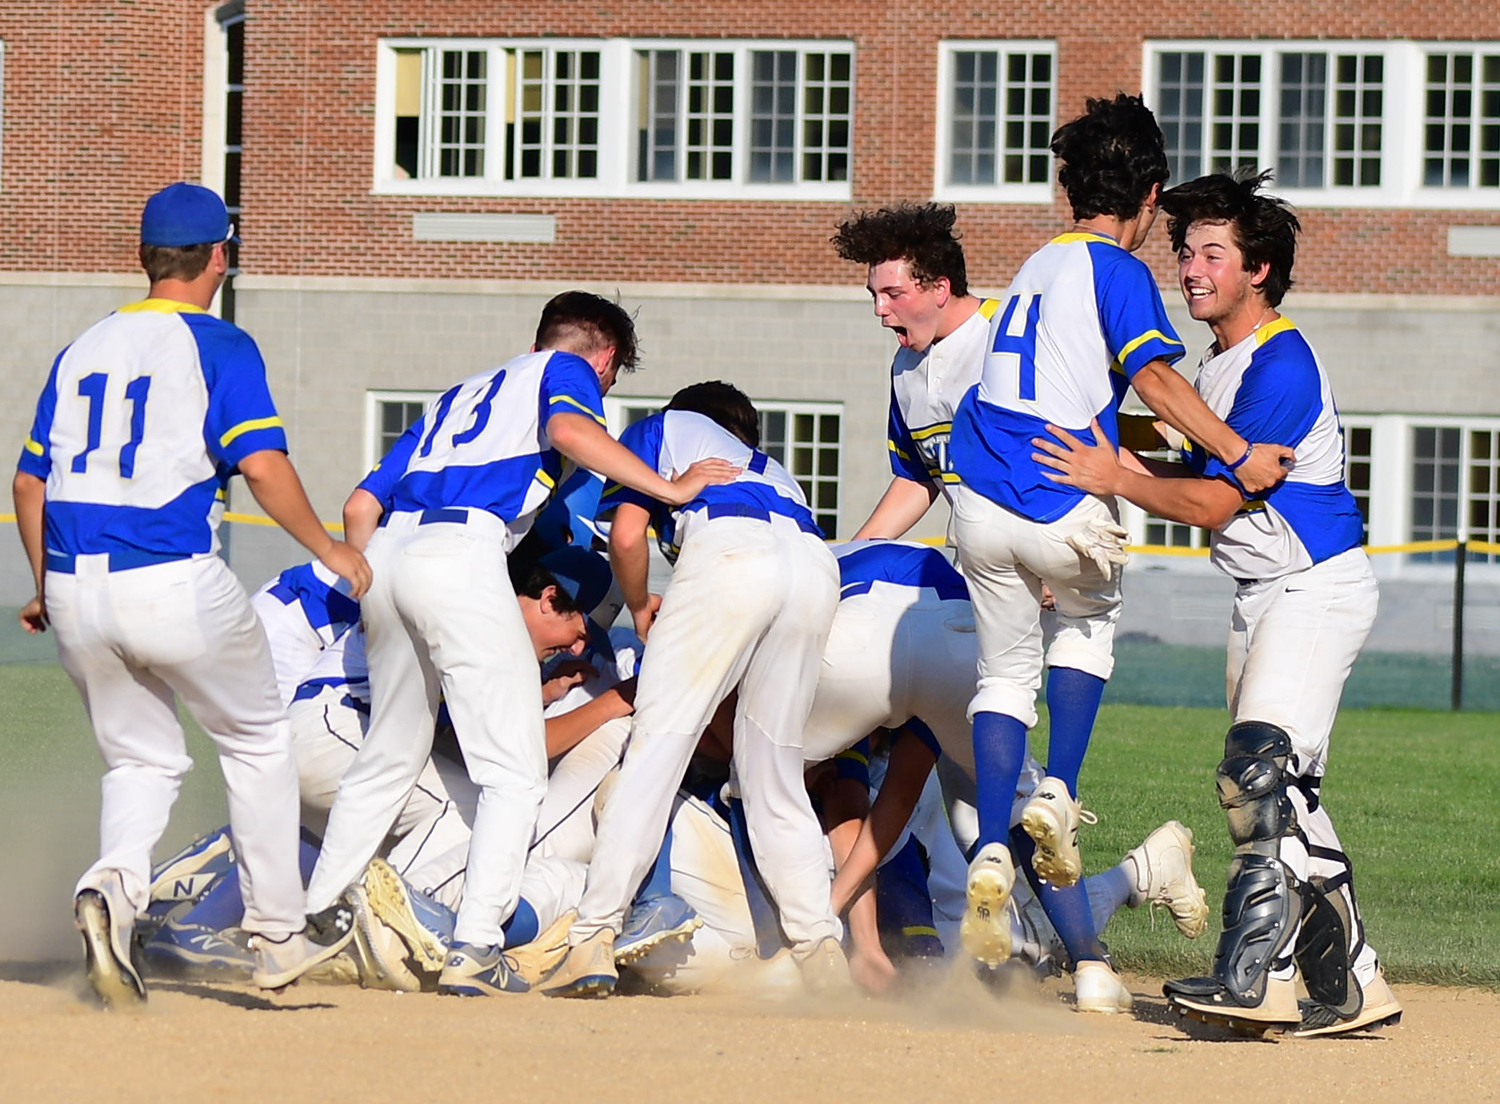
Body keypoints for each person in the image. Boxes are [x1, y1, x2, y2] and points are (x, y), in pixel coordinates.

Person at [1032, 170, 1402, 1037]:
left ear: (1259, 269)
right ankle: (1350, 981)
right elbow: (1184, 457)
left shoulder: (1279, 360)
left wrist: (1111, 474)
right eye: (1186, 251)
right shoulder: (1223, 362)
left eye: (1213, 253)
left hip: (1314, 584)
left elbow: (1211, 502)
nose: (1192, 269)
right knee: (1286, 796)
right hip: (1264, 592)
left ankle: (1258, 977)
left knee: (1257, 770)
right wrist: (1090, 425)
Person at [283, 292, 735, 998]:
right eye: (610, 380)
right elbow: (567, 428)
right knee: (516, 774)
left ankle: (316, 921)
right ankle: (476, 946)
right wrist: (667, 488)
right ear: (606, 356)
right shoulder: (567, 369)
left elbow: (358, 507)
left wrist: (377, 580)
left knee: (389, 755)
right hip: (461, 549)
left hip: (388, 554)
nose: (603, 391)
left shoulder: (456, 396)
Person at [944, 94, 1295, 982]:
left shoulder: (1033, 264)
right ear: (1148, 192)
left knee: (1003, 676)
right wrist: (1236, 451)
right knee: (1090, 625)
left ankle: (991, 847)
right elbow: (1154, 378)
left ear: (1067, 187)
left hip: (978, 500)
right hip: (1058, 493)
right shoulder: (1114, 266)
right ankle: (1058, 792)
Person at [11, 182, 372, 1005]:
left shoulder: (84, 346)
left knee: (140, 758)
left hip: (74, 587)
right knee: (255, 740)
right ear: (220, 255)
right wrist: (330, 549)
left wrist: (42, 585)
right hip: (171, 578)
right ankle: (277, 935)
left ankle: (112, 887)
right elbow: (264, 466)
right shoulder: (219, 343)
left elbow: (29, 485)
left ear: (145, 258)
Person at [542, 382, 845, 998]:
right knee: (774, 774)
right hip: (815, 569)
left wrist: (638, 606)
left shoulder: (665, 427)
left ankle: (593, 939)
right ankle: (822, 951)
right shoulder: (775, 469)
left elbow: (627, 537)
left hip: (732, 556)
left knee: (654, 754)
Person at [830, 203, 999, 538]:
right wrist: (853, 554)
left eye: (893, 294)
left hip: (1051, 556)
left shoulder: (1009, 336)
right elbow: (918, 475)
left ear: (940, 288)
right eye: (874, 295)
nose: (880, 309)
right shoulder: (904, 368)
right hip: (980, 560)